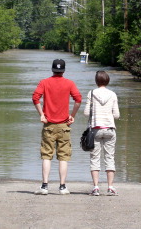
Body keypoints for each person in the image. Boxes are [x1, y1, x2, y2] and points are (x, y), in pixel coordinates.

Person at [32, 59, 82, 195]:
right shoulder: (69, 83)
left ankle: (44, 186)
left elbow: (35, 98)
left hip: (48, 124)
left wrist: (41, 114)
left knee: (46, 156)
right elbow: (78, 99)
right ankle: (62, 187)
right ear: (64, 70)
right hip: (64, 125)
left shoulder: (44, 82)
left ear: (52, 69)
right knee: (64, 157)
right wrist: (72, 115)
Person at [84, 70, 119, 196]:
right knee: (109, 157)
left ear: (96, 81)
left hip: (95, 130)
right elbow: (117, 115)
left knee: (95, 158)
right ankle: (110, 187)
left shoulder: (91, 93)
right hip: (109, 129)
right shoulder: (113, 94)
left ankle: (96, 187)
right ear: (107, 80)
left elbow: (86, 113)